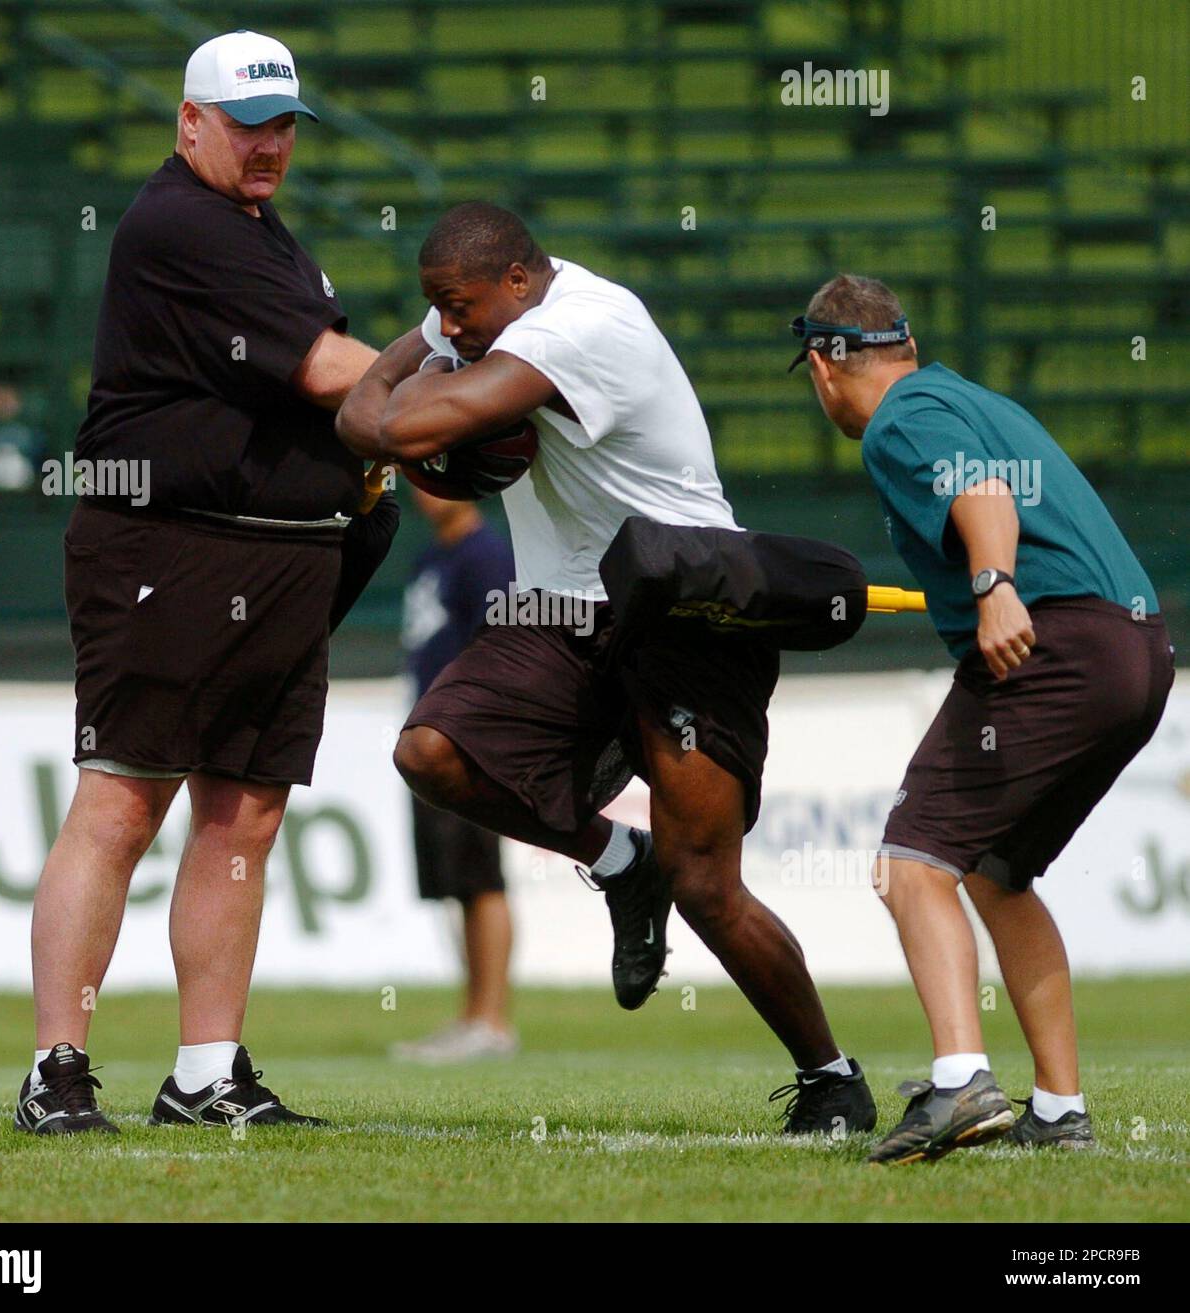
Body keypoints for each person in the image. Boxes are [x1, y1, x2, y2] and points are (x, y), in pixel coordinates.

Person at [337, 202, 877, 1136]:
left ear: (517, 281)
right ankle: (618, 860)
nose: (448, 327)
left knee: (705, 880)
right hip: (560, 611)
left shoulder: (590, 325)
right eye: (437, 311)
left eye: (459, 309)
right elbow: (366, 420)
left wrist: (409, 389)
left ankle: (832, 1075)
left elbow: (397, 423)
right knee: (430, 752)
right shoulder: (484, 309)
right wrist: (417, 364)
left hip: (685, 609)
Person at [15, 30, 396, 1135]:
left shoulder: (260, 231)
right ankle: (57, 1064)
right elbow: (329, 371)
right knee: (124, 797)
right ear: (189, 122)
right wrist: (460, 383)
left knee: (245, 809)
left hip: (276, 556)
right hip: (169, 547)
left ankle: (206, 1071)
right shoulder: (180, 223)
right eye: (246, 121)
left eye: (282, 122)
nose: (269, 142)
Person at [788, 273, 1174, 1164]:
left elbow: (982, 492)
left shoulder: (902, 417)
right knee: (998, 873)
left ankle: (962, 1080)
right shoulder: (959, 393)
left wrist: (995, 587)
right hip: (1136, 650)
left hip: (1055, 642)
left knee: (911, 861)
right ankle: (1059, 1106)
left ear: (823, 364)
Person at [392, 488, 518, 1063]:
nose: (424, 491)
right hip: (428, 738)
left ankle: (493, 1020)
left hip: (466, 739)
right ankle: (472, 1015)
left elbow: (502, 647)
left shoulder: (485, 555)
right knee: (457, 884)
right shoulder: (431, 558)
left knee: (482, 877)